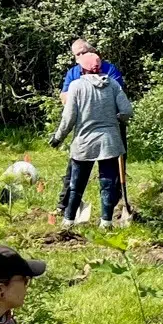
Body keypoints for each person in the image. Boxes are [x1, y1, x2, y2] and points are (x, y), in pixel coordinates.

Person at [49, 52, 132, 226]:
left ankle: (69, 220)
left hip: (84, 143)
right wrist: (114, 118)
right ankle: (106, 222)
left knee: (76, 184)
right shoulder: (113, 84)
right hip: (110, 142)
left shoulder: (76, 86)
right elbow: (127, 112)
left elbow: (69, 118)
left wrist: (58, 138)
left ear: (82, 69)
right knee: (108, 184)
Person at [61, 38, 125, 91]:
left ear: (92, 52)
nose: (81, 56)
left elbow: (118, 91)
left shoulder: (109, 69)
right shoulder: (72, 73)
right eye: (78, 54)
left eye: (84, 52)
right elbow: (64, 95)